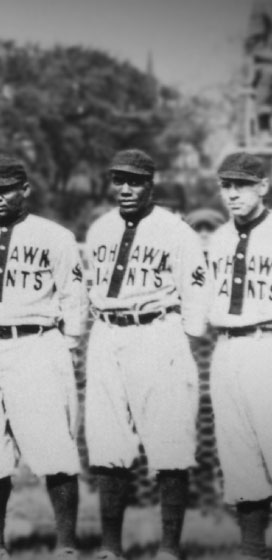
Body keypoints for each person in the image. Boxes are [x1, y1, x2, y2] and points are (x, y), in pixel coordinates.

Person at [0, 157, 87, 560]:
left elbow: (73, 296)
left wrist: (69, 345)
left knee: (53, 448)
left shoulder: (55, 236)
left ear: (25, 190)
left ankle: (66, 544)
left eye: (5, 189)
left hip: (35, 343)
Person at [81, 150, 207, 560]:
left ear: (152, 183)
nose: (126, 188)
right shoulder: (100, 227)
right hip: (108, 332)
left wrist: (181, 342)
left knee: (169, 441)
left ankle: (169, 548)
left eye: (134, 180)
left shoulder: (176, 230)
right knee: (107, 441)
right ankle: (110, 548)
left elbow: (197, 292)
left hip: (157, 330)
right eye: (119, 180)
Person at [204, 152, 272, 560]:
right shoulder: (219, 237)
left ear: (263, 187)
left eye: (241, 185)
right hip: (228, 347)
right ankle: (252, 549)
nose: (231, 194)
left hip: (268, 342)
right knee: (238, 450)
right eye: (226, 186)